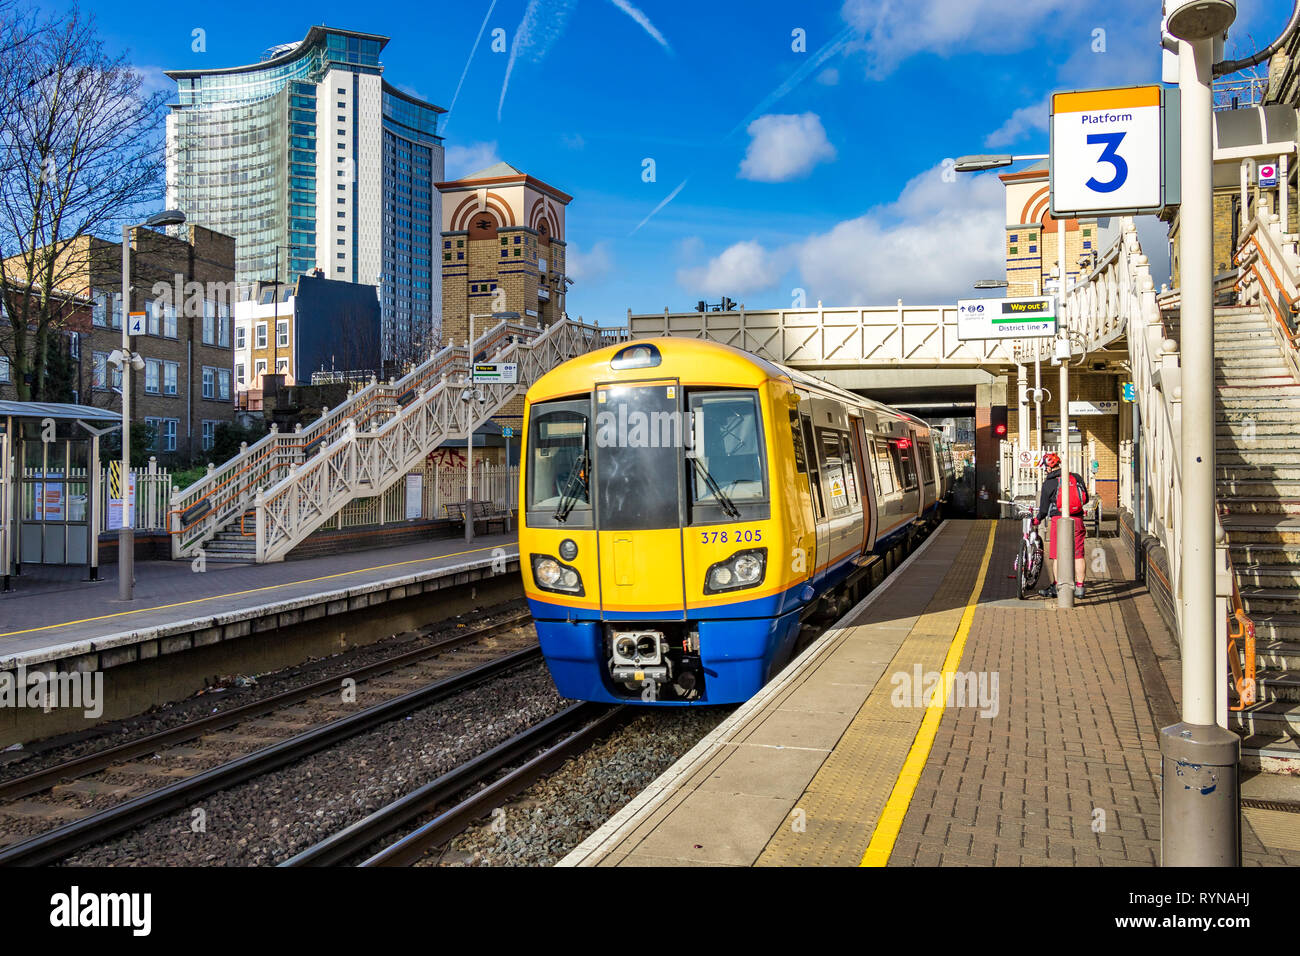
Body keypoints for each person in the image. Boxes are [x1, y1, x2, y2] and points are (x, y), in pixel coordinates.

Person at [1033, 452, 1089, 599]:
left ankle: (1057, 587)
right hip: (1077, 519)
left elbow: (1044, 510)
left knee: (1057, 555)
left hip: (1058, 520)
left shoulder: (1049, 483)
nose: (1045, 470)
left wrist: (1037, 520)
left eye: (1045, 468)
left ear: (1049, 468)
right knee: (1078, 554)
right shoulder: (1076, 477)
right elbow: (1086, 498)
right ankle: (1080, 588)